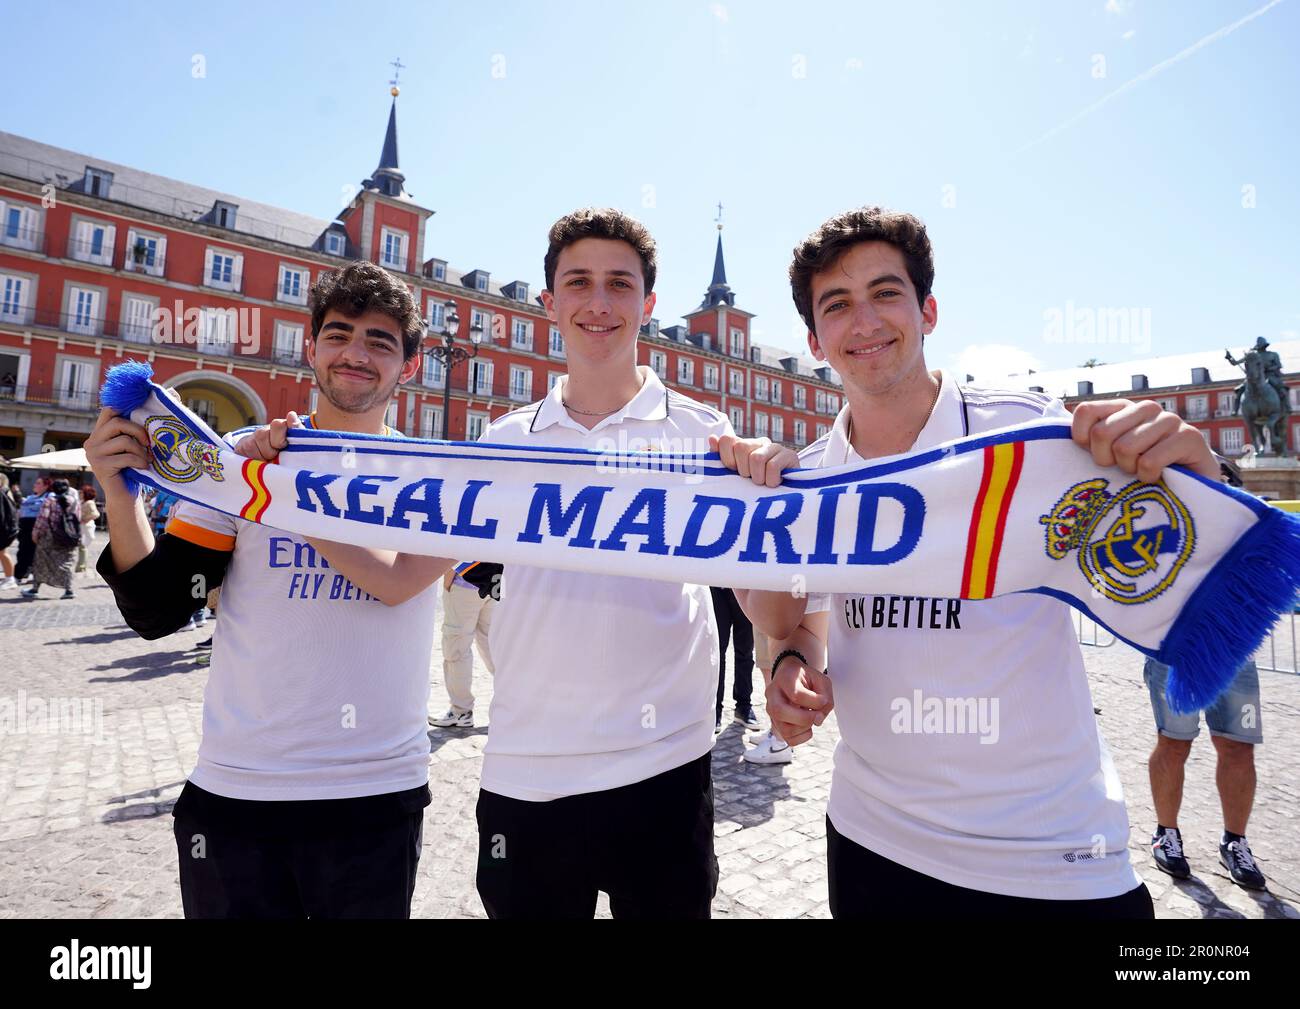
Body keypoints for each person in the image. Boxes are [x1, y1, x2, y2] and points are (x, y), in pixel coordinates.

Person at [728, 206, 1221, 920]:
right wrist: (788, 661)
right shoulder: (812, 477)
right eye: (837, 304)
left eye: (885, 293)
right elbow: (800, 621)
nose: (863, 320)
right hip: (872, 842)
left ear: (928, 310)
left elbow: (1187, 576)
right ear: (815, 338)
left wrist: (1198, 481)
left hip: (1051, 859)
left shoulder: (1032, 436)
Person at [89, 261, 455, 919]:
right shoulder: (236, 458)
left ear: (411, 364)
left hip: (374, 796)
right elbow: (159, 609)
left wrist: (278, 491)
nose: (356, 354)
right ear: (310, 347)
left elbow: (396, 583)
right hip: (236, 795)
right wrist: (120, 494)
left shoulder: (433, 478)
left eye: (380, 340)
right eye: (340, 333)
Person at [470, 208, 770, 919]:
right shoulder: (501, 442)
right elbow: (402, 564)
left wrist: (790, 654)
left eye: (619, 284)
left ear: (648, 303)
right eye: (579, 282)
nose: (599, 303)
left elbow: (760, 583)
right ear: (549, 302)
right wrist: (277, 480)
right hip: (526, 770)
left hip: (662, 769)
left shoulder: (704, 435)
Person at [1145, 657, 1267, 890]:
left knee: (1240, 746)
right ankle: (1166, 834)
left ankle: (1234, 841)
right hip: (1173, 649)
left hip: (1237, 652)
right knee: (1174, 743)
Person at [429, 561, 501, 729]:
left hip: (466, 582)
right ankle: (513, 701)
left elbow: (455, 547)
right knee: (494, 645)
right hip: (496, 581)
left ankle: (461, 711)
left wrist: (448, 578)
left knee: (456, 647)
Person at [710, 587, 759, 735]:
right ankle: (715, 710)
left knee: (745, 651)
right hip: (717, 586)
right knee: (717, 651)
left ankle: (743, 707)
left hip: (745, 586)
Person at [23, 478, 80, 599]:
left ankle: (35, 589)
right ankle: (69, 590)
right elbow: (77, 518)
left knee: (41, 560)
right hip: (68, 536)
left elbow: (43, 519)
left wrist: (35, 532)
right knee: (66, 562)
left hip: (50, 536)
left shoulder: (50, 500)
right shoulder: (74, 500)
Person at [13, 475, 49, 583]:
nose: (35, 485)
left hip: (37, 526)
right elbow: (21, 509)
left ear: (46, 486)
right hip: (24, 526)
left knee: (34, 552)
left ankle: (32, 575)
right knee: (23, 551)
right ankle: (20, 574)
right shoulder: (30, 497)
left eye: (38, 483)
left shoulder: (49, 496)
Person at [76, 484, 100, 573]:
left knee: (83, 546)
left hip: (86, 527)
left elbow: (96, 514)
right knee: (82, 547)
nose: (80, 494)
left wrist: (85, 519)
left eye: (82, 492)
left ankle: (81, 566)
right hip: (83, 527)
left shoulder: (89, 502)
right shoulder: (83, 502)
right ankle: (81, 566)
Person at [0, 474, 18, 588]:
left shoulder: (2, 493)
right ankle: (9, 578)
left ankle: (10, 579)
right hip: (6, 528)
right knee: (2, 553)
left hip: (3, 528)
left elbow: (1, 514)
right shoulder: (6, 492)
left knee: (3, 553)